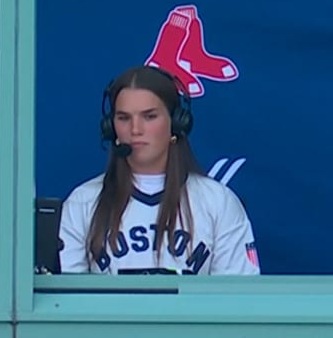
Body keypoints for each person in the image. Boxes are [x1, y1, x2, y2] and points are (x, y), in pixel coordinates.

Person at [59, 65, 260, 276]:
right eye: (124, 118)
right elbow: (64, 299)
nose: (136, 130)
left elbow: (237, 300)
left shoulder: (218, 202)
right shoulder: (82, 202)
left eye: (149, 116)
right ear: (111, 127)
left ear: (175, 123)